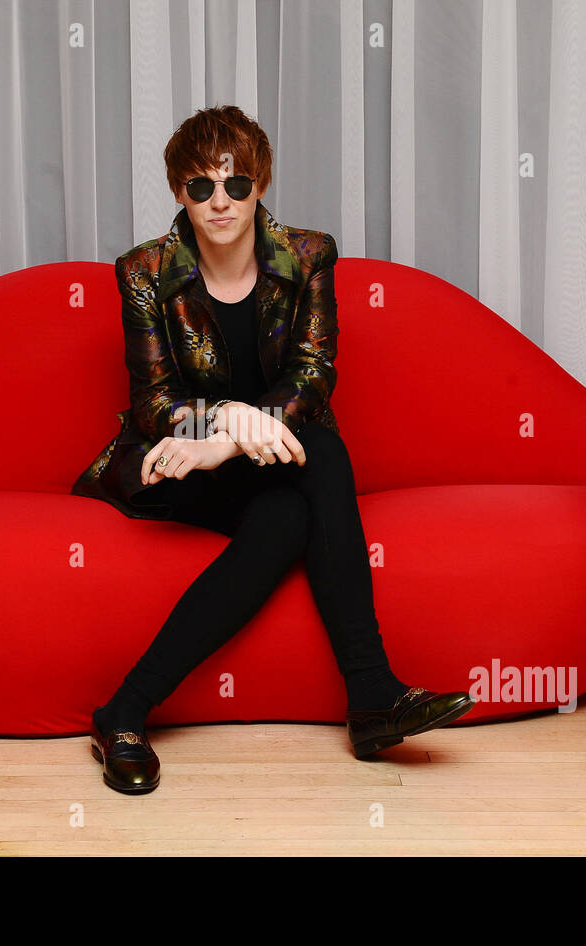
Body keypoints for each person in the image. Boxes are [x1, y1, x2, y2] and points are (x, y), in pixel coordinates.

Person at [70, 105, 474, 795]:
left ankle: (125, 712)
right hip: (172, 461)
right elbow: (154, 405)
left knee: (297, 490)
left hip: (249, 459)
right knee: (311, 459)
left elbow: (312, 376)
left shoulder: (309, 255)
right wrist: (221, 421)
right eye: (201, 188)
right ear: (178, 193)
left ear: (261, 184)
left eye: (236, 184)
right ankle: (373, 695)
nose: (219, 202)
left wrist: (229, 441)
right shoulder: (144, 271)